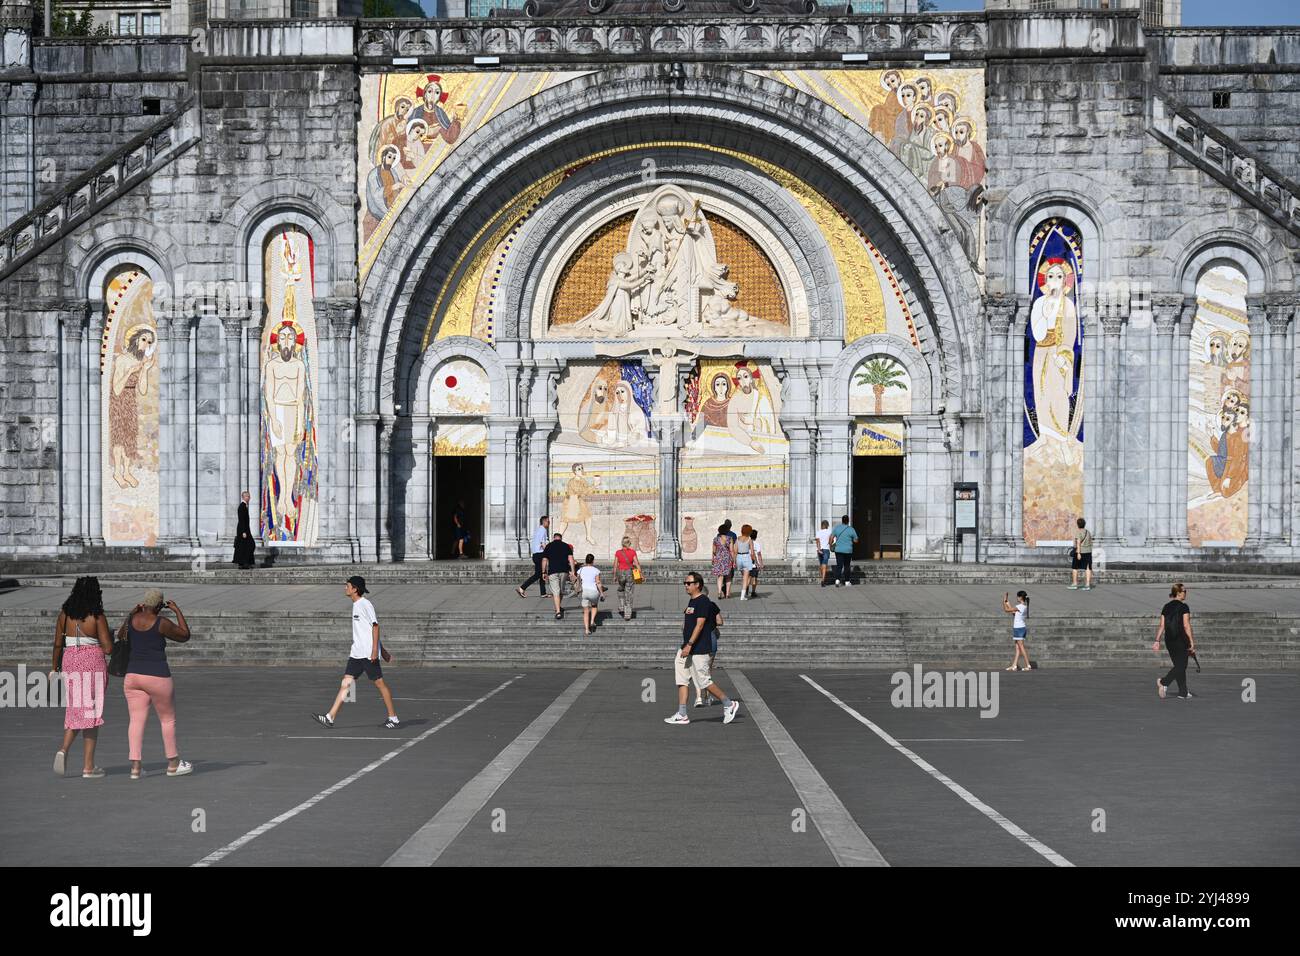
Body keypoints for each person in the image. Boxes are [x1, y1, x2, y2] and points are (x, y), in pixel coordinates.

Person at [121, 589, 193, 778]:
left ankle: (135, 768)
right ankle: (173, 764)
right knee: (167, 720)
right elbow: (185, 635)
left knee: (136, 721)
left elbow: (120, 636)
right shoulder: (161, 623)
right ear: (160, 605)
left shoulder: (132, 619)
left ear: (143, 603)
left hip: (133, 676)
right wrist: (177, 610)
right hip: (157, 676)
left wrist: (131, 613)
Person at [313, 576, 400, 729]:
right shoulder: (355, 605)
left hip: (367, 654)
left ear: (355, 589)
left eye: (347, 586)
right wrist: (384, 652)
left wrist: (376, 651)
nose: (345, 588)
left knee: (380, 683)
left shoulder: (365, 604)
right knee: (346, 683)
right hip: (356, 653)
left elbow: (375, 627)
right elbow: (367, 631)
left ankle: (393, 718)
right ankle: (330, 717)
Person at [51, 577, 112, 779]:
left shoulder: (64, 615)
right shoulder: (96, 616)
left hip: (70, 660)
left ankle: (64, 750)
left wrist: (54, 667)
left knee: (77, 708)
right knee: (91, 713)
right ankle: (88, 766)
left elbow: (58, 644)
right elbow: (108, 648)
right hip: (92, 661)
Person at [665, 573, 740, 726]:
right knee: (681, 679)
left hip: (698, 649)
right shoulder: (692, 601)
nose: (686, 585)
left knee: (704, 681)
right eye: (685, 582)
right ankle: (682, 714)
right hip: (686, 648)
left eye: (688, 583)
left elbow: (699, 625)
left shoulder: (703, 602)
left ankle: (728, 704)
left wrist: (690, 644)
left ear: (697, 584)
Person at [1154, 583, 1196, 700]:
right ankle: (1163, 682)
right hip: (1180, 639)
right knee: (1181, 665)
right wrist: (1191, 642)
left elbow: (1162, 625)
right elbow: (1186, 625)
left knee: (1179, 665)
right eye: (1184, 591)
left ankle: (1183, 692)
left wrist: (1157, 640)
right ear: (1178, 593)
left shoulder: (1166, 606)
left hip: (1169, 640)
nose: (1186, 593)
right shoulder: (1184, 607)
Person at [541, 532, 577, 621]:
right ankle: (558, 608)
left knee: (556, 591)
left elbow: (544, 559)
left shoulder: (549, 546)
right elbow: (571, 559)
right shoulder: (566, 546)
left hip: (553, 571)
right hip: (564, 571)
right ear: (561, 538)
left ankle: (558, 611)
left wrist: (543, 572)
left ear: (554, 538)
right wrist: (573, 572)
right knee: (560, 590)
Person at [516, 515, 550, 599]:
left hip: (536, 554)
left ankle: (543, 593)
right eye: (548, 521)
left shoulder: (539, 529)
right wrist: (549, 552)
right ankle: (522, 588)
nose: (549, 523)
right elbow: (543, 543)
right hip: (539, 554)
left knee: (542, 573)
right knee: (539, 574)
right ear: (544, 522)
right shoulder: (543, 530)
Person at [1001, 590, 1032, 672]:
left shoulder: (1019, 606)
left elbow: (1006, 610)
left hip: (1019, 628)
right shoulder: (1024, 607)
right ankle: (1014, 665)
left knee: (1021, 647)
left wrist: (1004, 601)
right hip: (1020, 628)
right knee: (1018, 648)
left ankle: (1028, 665)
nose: (1017, 598)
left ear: (1020, 597)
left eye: (1017, 596)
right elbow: (1014, 613)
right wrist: (1008, 603)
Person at [576, 554, 605, 636]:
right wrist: (602, 593)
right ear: (593, 561)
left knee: (585, 611)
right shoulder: (596, 570)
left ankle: (587, 630)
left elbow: (578, 580)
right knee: (594, 605)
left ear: (585, 560)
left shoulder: (581, 570)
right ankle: (592, 621)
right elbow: (598, 582)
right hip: (593, 591)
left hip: (584, 592)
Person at [613, 535, 641, 621]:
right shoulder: (632, 552)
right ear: (629, 543)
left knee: (620, 589)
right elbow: (637, 564)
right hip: (629, 573)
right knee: (629, 593)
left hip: (620, 574)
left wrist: (614, 575)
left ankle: (621, 604)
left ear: (622, 543)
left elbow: (615, 565)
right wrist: (641, 575)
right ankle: (627, 614)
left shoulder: (618, 552)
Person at [830, 514, 859, 587]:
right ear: (848, 521)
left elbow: (831, 538)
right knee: (846, 566)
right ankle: (847, 581)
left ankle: (837, 580)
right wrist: (852, 539)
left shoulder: (837, 528)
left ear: (842, 521)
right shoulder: (851, 529)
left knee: (839, 565)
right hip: (848, 550)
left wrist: (830, 545)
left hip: (838, 550)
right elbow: (856, 540)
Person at [711, 523, 736, 599]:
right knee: (728, 576)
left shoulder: (715, 539)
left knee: (720, 576)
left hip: (719, 558)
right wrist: (734, 561)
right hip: (727, 558)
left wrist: (715, 557)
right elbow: (732, 551)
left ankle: (719, 592)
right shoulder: (729, 538)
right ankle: (727, 594)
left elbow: (714, 551)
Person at [233, 490, 256, 569]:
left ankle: (243, 563)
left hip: (245, 529)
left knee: (244, 546)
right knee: (249, 545)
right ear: (243, 497)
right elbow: (241, 519)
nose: (249, 498)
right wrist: (243, 531)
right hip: (243, 530)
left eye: (249, 496)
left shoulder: (244, 506)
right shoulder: (242, 506)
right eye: (247, 496)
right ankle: (244, 563)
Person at [1070, 517, 1093, 590]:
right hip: (1088, 551)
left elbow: (1078, 543)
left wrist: (1079, 553)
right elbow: (1090, 542)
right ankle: (1087, 585)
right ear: (1084, 524)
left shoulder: (1078, 532)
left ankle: (1075, 584)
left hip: (1080, 552)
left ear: (1078, 525)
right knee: (1088, 568)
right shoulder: (1088, 532)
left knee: (1075, 568)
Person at [736, 524, 756, 601]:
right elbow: (752, 552)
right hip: (746, 557)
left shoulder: (737, 539)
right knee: (745, 578)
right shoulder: (749, 540)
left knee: (744, 576)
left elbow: (735, 550)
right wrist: (754, 560)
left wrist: (734, 560)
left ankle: (744, 591)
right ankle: (742, 596)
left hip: (739, 557)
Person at [815, 519, 833, 587]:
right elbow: (831, 540)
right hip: (826, 549)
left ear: (822, 525)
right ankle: (823, 580)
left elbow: (817, 541)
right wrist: (830, 545)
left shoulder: (818, 532)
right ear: (827, 525)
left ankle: (822, 578)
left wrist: (819, 549)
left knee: (821, 564)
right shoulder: (829, 532)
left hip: (820, 550)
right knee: (825, 564)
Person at [748, 528, 763, 599]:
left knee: (747, 577)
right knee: (754, 578)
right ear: (756, 536)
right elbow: (759, 555)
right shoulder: (757, 544)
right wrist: (761, 563)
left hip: (747, 563)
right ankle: (753, 592)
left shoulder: (746, 543)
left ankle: (746, 590)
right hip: (754, 565)